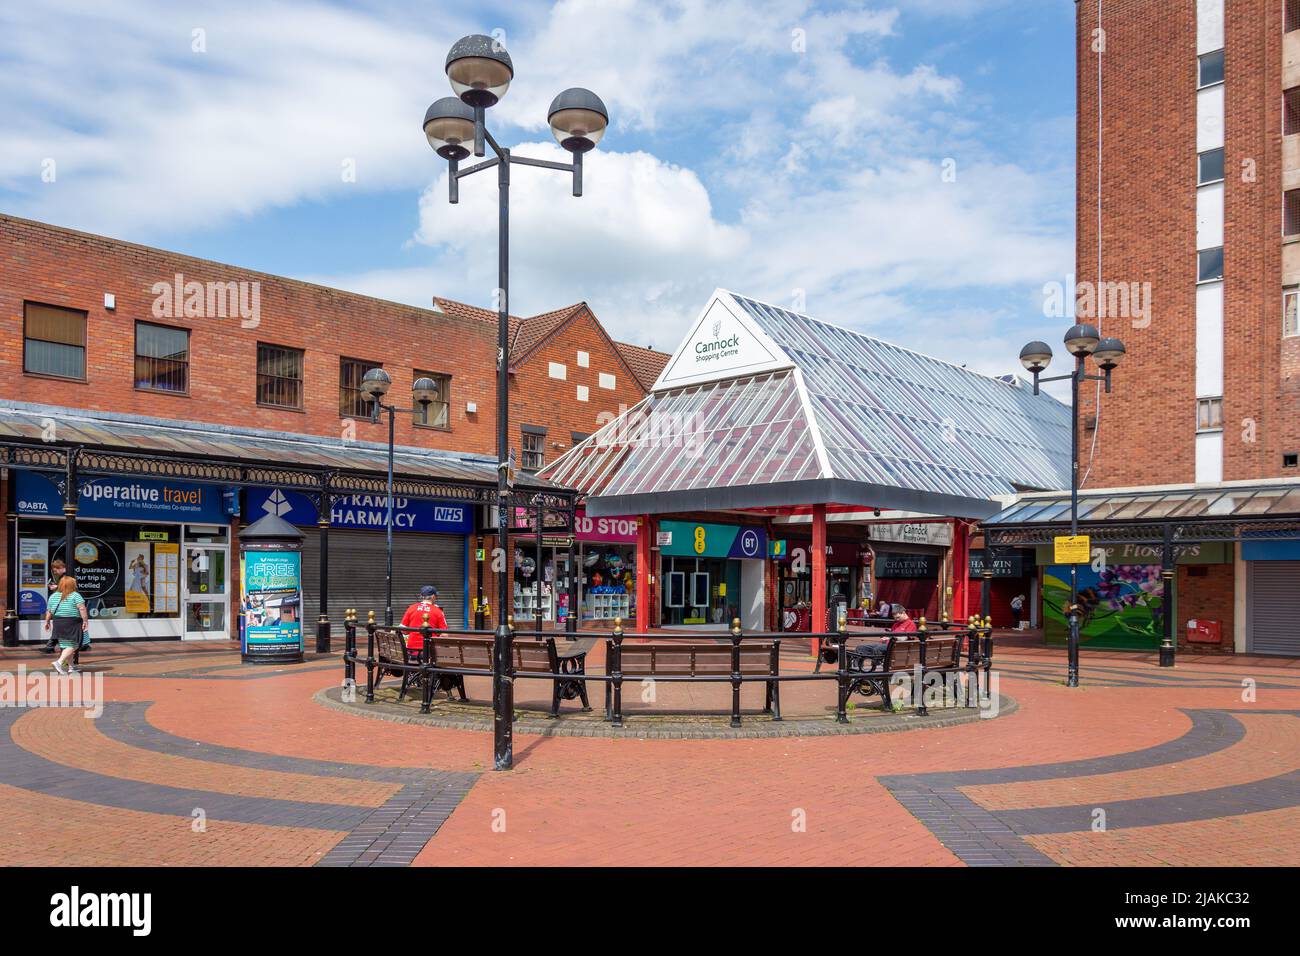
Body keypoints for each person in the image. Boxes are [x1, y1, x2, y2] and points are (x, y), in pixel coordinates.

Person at [44, 575, 89, 675]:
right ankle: (59, 662)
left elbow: (49, 611)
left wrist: (47, 622)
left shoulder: (53, 596)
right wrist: (85, 621)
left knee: (66, 645)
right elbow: (82, 608)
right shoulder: (75, 595)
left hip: (58, 622)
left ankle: (71, 667)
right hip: (72, 623)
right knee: (74, 644)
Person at [401, 585, 448, 653]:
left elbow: (403, 631)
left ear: (422, 596)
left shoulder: (411, 608)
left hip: (412, 652)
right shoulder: (438, 611)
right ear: (433, 597)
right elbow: (444, 635)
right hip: (431, 653)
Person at [40, 558, 67, 653]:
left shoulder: (66, 576)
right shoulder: (61, 577)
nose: (55, 572)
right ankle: (50, 646)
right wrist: (55, 588)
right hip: (61, 604)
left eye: (56, 570)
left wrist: (56, 587)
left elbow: (69, 589)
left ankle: (50, 646)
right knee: (58, 626)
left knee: (58, 626)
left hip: (64, 605)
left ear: (61, 568)